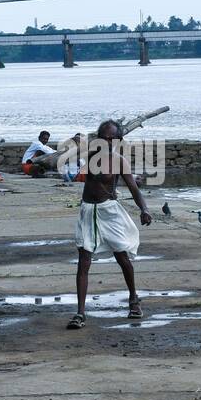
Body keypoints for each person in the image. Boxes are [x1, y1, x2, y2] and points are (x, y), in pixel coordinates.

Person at [67, 120, 152, 330]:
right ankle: (80, 313)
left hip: (109, 212)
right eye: (103, 137)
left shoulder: (118, 161)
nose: (106, 141)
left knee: (121, 256)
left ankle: (133, 299)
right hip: (88, 211)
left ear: (117, 141)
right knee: (84, 260)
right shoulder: (88, 156)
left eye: (111, 139)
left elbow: (134, 188)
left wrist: (144, 210)